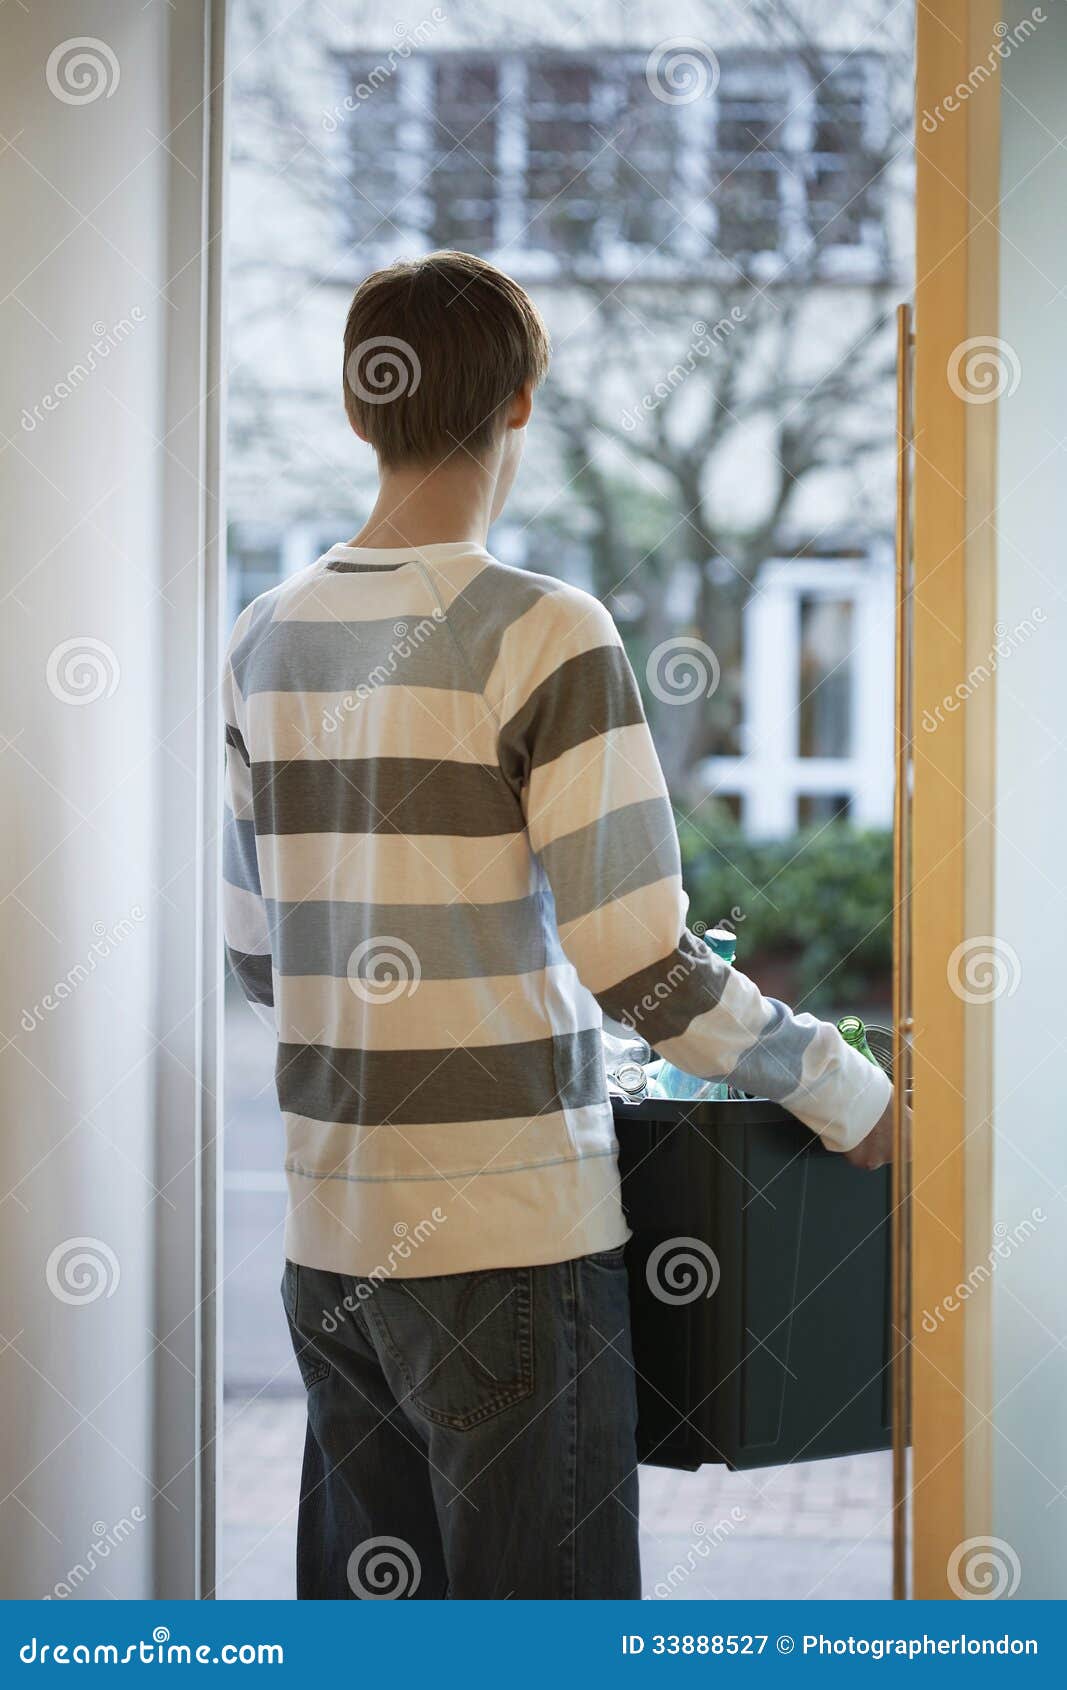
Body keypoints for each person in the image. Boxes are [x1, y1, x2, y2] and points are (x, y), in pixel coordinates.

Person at [221, 250, 894, 1601]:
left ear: (360, 411)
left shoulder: (264, 637)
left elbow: (261, 965)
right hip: (510, 1246)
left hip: (332, 1246)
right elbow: (642, 963)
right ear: (522, 401)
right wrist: (848, 1090)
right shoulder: (547, 631)